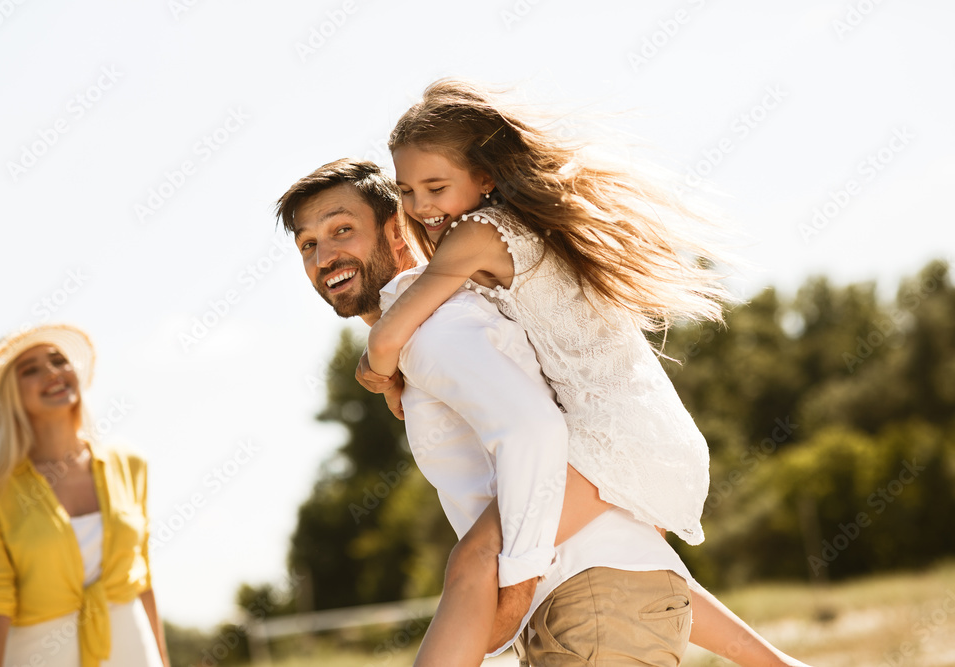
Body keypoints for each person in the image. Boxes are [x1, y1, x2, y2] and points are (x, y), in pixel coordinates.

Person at [278, 158, 811, 666]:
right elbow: (610, 537)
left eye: (342, 230)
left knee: (471, 560)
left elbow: (533, 434)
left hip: (592, 613)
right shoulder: (442, 324)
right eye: (308, 245)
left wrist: (515, 587)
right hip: (614, 605)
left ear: (397, 229)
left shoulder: (437, 331)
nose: (323, 257)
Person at [0, 324, 168, 667]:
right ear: (12, 395)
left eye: (59, 360)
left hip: (133, 649)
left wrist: (162, 659)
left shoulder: (128, 463)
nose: (52, 373)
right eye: (30, 370)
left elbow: (142, 576)